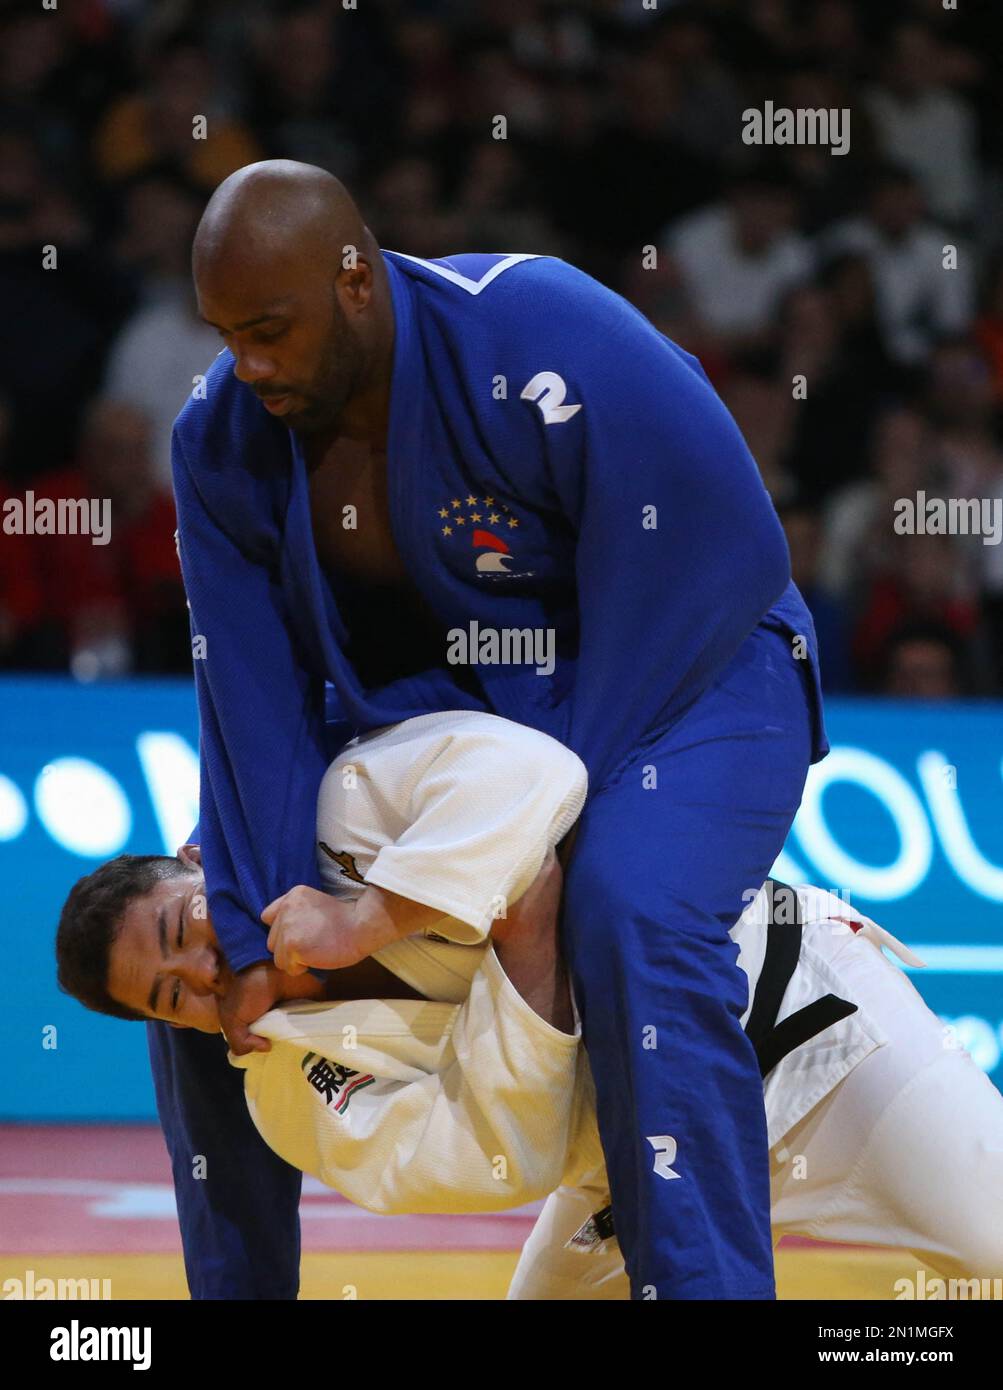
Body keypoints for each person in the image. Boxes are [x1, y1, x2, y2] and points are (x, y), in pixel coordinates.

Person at [165, 158, 827, 1299]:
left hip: (692, 666)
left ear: (355, 280)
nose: (250, 364)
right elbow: (252, 701)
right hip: (463, 718)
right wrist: (258, 933)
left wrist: (552, 816)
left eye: (271, 328)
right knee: (189, 922)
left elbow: (722, 548)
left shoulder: (537, 328)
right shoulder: (222, 437)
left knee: (628, 907)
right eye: (228, 334)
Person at [56, 711, 1003, 1299]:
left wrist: (371, 918)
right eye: (172, 998)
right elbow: (495, 1158)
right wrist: (524, 950)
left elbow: (536, 773)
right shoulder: (284, 1093)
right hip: (627, 1173)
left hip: (804, 1042)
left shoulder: (337, 812)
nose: (208, 975)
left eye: (188, 930)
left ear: (198, 865)